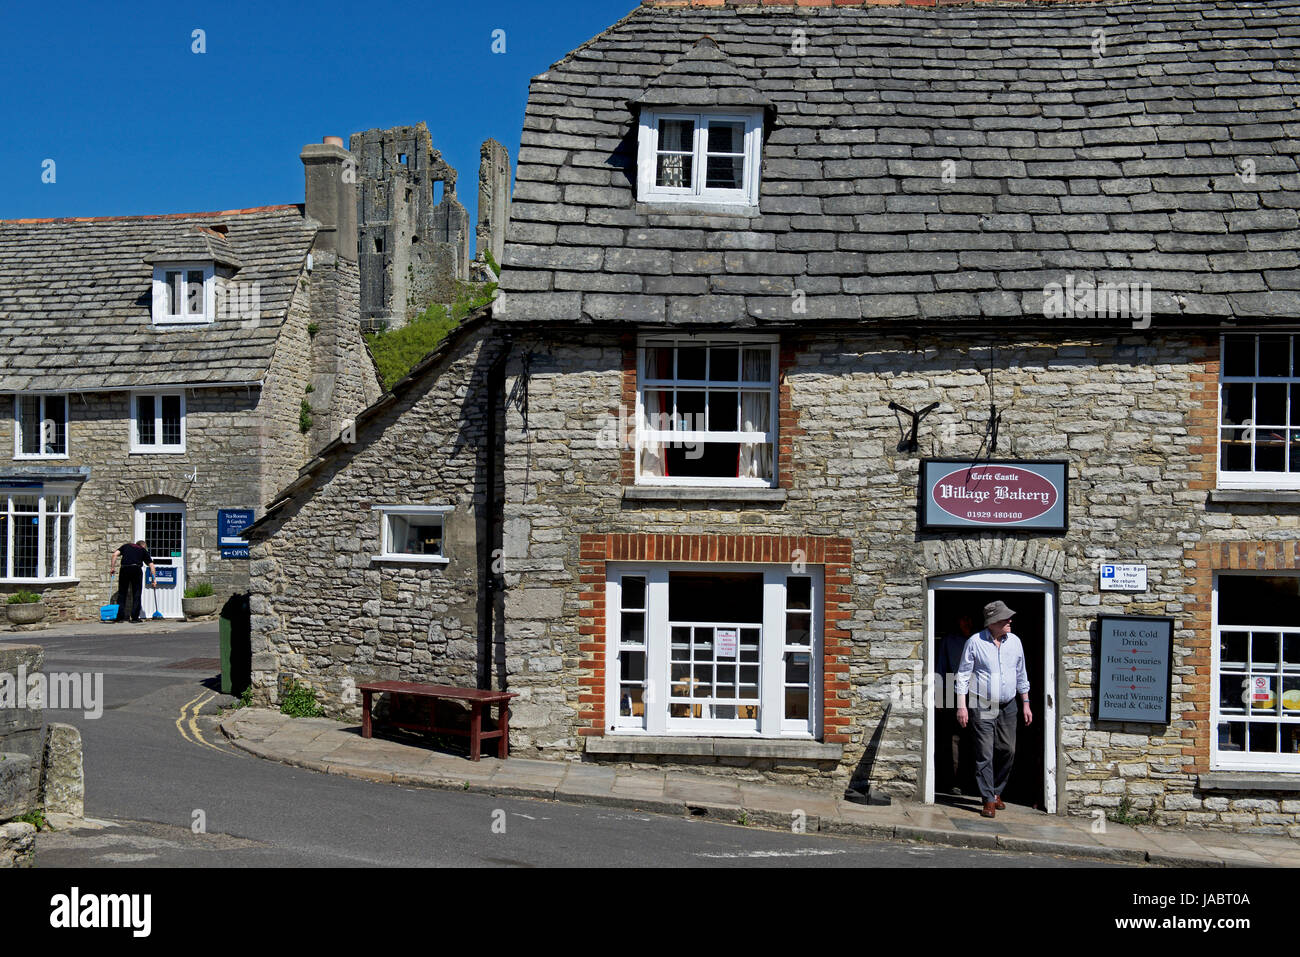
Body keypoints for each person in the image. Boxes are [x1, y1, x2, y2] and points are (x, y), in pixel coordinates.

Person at [954, 600, 1032, 818]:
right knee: (985, 753)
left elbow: (1021, 673)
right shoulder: (975, 642)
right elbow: (962, 675)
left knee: (1008, 750)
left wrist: (1025, 702)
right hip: (982, 704)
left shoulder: (1015, 642)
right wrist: (962, 706)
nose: (1010, 620)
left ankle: (997, 790)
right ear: (993, 622)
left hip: (1009, 705)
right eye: (1005, 618)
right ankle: (988, 799)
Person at [934, 613, 976, 795]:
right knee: (956, 739)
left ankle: (977, 782)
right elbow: (941, 668)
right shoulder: (949, 641)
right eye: (964, 618)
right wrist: (939, 696)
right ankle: (956, 781)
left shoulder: (982, 639)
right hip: (954, 693)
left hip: (980, 693)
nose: (968, 621)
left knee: (980, 738)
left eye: (970, 618)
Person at [110, 540, 157, 623]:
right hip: (136, 570)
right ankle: (134, 617)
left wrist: (112, 568)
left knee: (122, 593)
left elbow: (114, 555)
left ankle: (120, 617)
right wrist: (154, 580)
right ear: (143, 546)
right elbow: (151, 565)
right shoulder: (142, 550)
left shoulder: (126, 546)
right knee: (137, 593)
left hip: (125, 569)